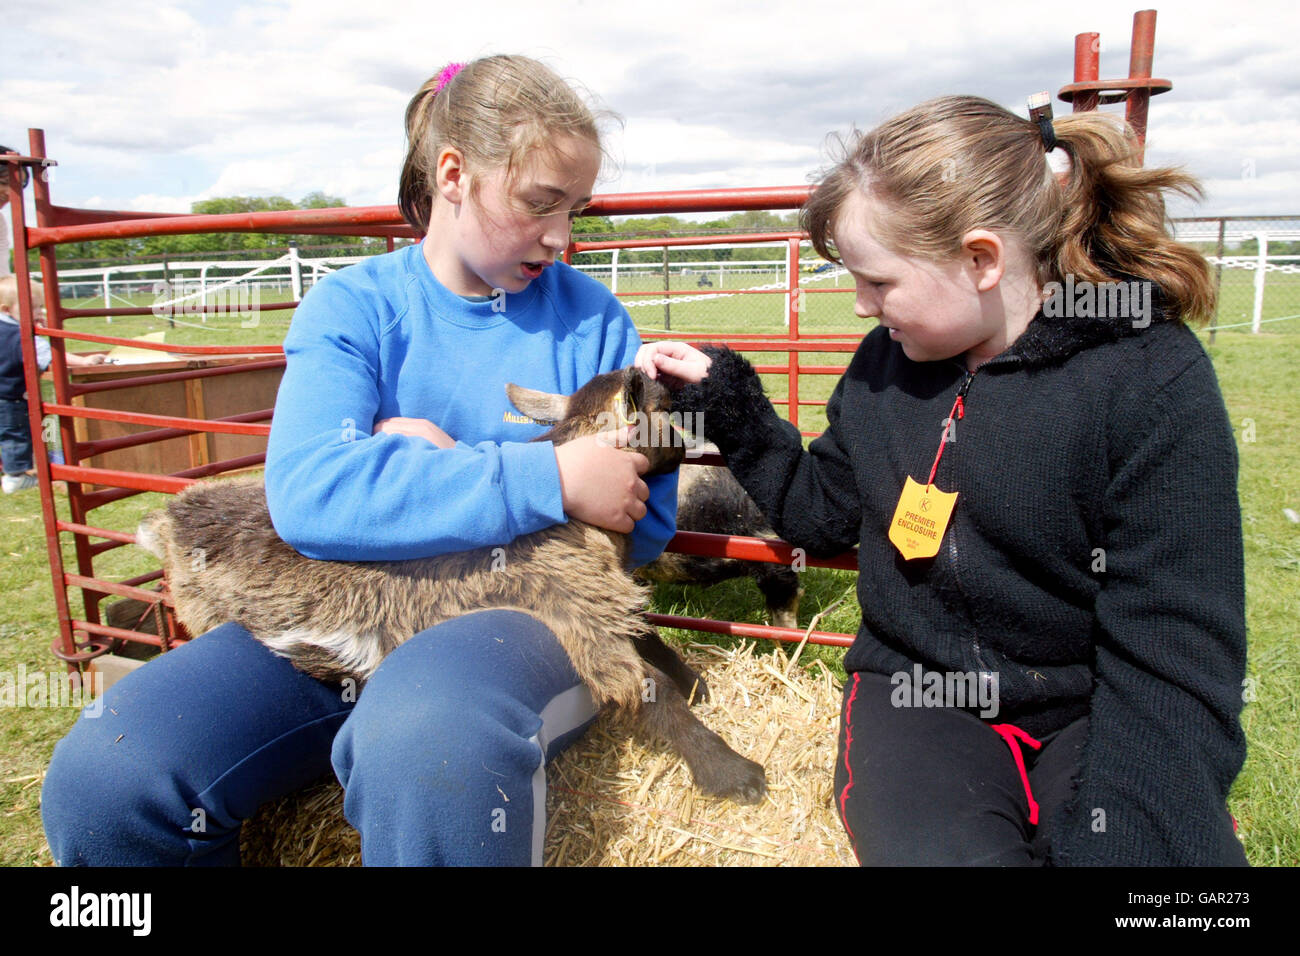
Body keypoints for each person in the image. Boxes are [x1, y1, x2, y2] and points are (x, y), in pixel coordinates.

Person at [42, 55, 677, 866]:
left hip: (517, 625)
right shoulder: (352, 307)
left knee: (427, 740)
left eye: (576, 208)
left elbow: (639, 524)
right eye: (539, 203)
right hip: (337, 622)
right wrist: (547, 476)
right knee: (109, 773)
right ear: (454, 174)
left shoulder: (592, 318)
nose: (562, 236)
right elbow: (312, 494)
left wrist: (410, 472)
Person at [637, 95, 1248, 866]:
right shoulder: (883, 370)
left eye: (879, 282)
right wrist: (734, 407)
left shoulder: (1149, 380)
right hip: (919, 687)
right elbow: (820, 516)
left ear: (981, 259)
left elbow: (1174, 651)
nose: (861, 306)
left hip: (1092, 697)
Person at [1, 275, 105, 493]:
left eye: (40, 307)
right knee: (16, 434)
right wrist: (84, 361)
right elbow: (53, 356)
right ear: (7, 309)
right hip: (10, 399)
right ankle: (14, 477)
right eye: (32, 308)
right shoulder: (24, 337)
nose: (39, 313)